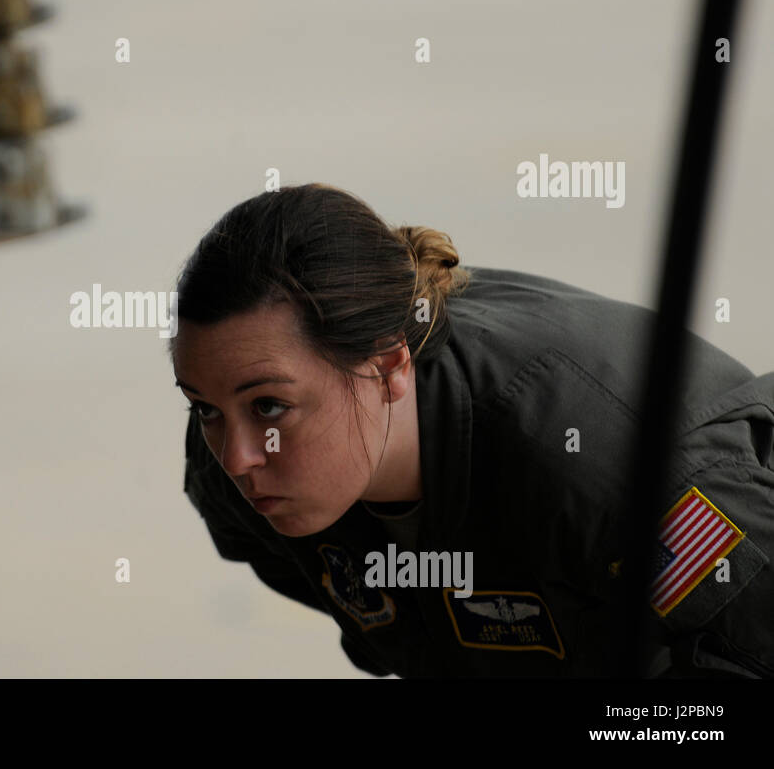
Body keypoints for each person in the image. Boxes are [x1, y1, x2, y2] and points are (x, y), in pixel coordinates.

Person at [171, 183, 774, 678]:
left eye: (270, 407)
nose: (238, 457)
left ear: (386, 366)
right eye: (204, 407)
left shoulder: (605, 474)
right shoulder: (235, 470)